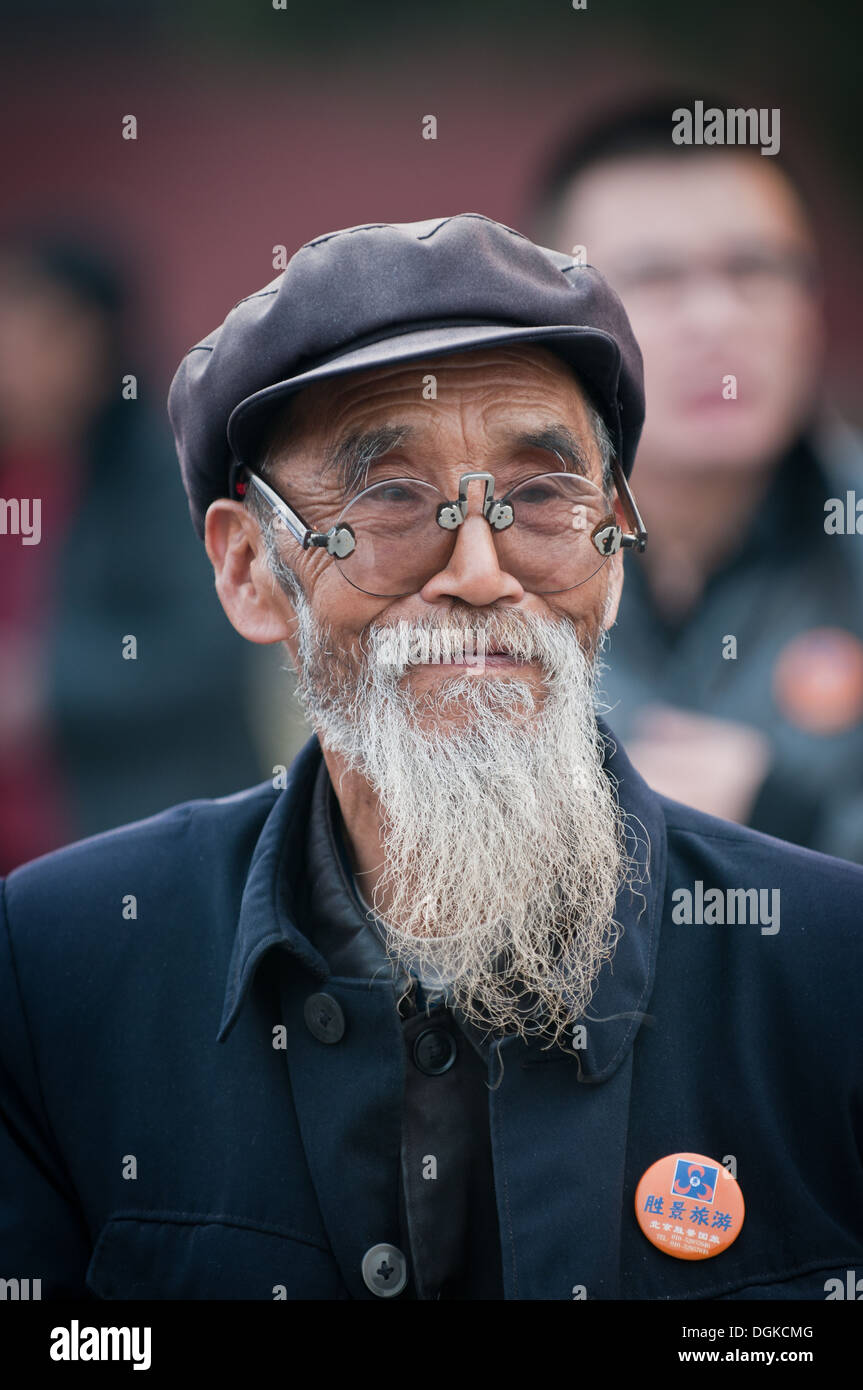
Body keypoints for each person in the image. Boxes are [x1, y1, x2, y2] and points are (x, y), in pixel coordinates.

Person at [1, 214, 861, 1301]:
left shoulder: (832, 969)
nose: (479, 569)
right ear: (246, 569)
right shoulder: (57, 969)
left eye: (542, 496)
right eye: (390, 499)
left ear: (613, 542)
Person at [529, 99, 863, 861]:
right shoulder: (477, 563)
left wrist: (782, 819)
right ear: (553, 330)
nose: (714, 316)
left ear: (811, 308)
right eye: (653, 277)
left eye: (752, 269)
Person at [0, 230, 263, 872]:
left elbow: (210, 642)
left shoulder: (168, 475)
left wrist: (42, 685)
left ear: (95, 343)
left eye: (35, 333)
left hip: (128, 841)